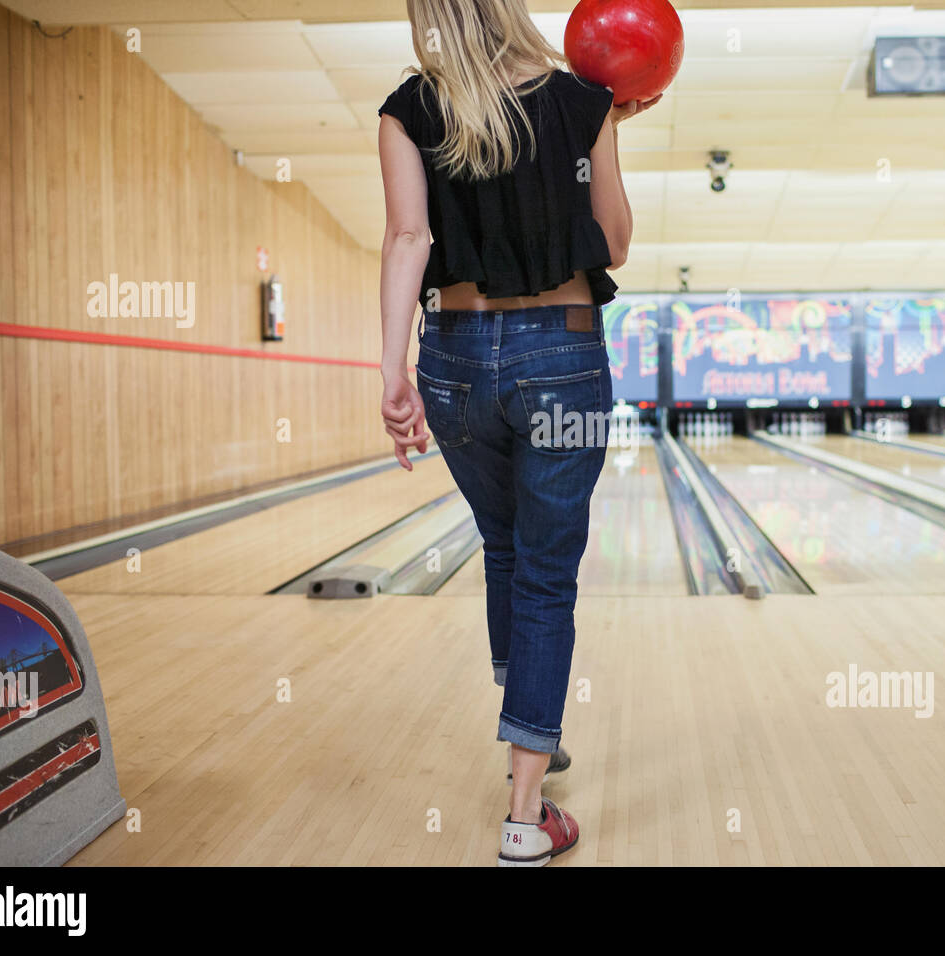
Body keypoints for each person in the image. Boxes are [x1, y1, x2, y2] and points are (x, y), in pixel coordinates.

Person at [376, 0, 658, 865]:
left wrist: (390, 371)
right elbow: (610, 244)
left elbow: (406, 236)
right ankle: (526, 815)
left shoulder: (408, 108)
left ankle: (529, 726)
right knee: (543, 576)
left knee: (504, 550)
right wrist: (599, 133)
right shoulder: (581, 99)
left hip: (452, 359)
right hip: (561, 357)